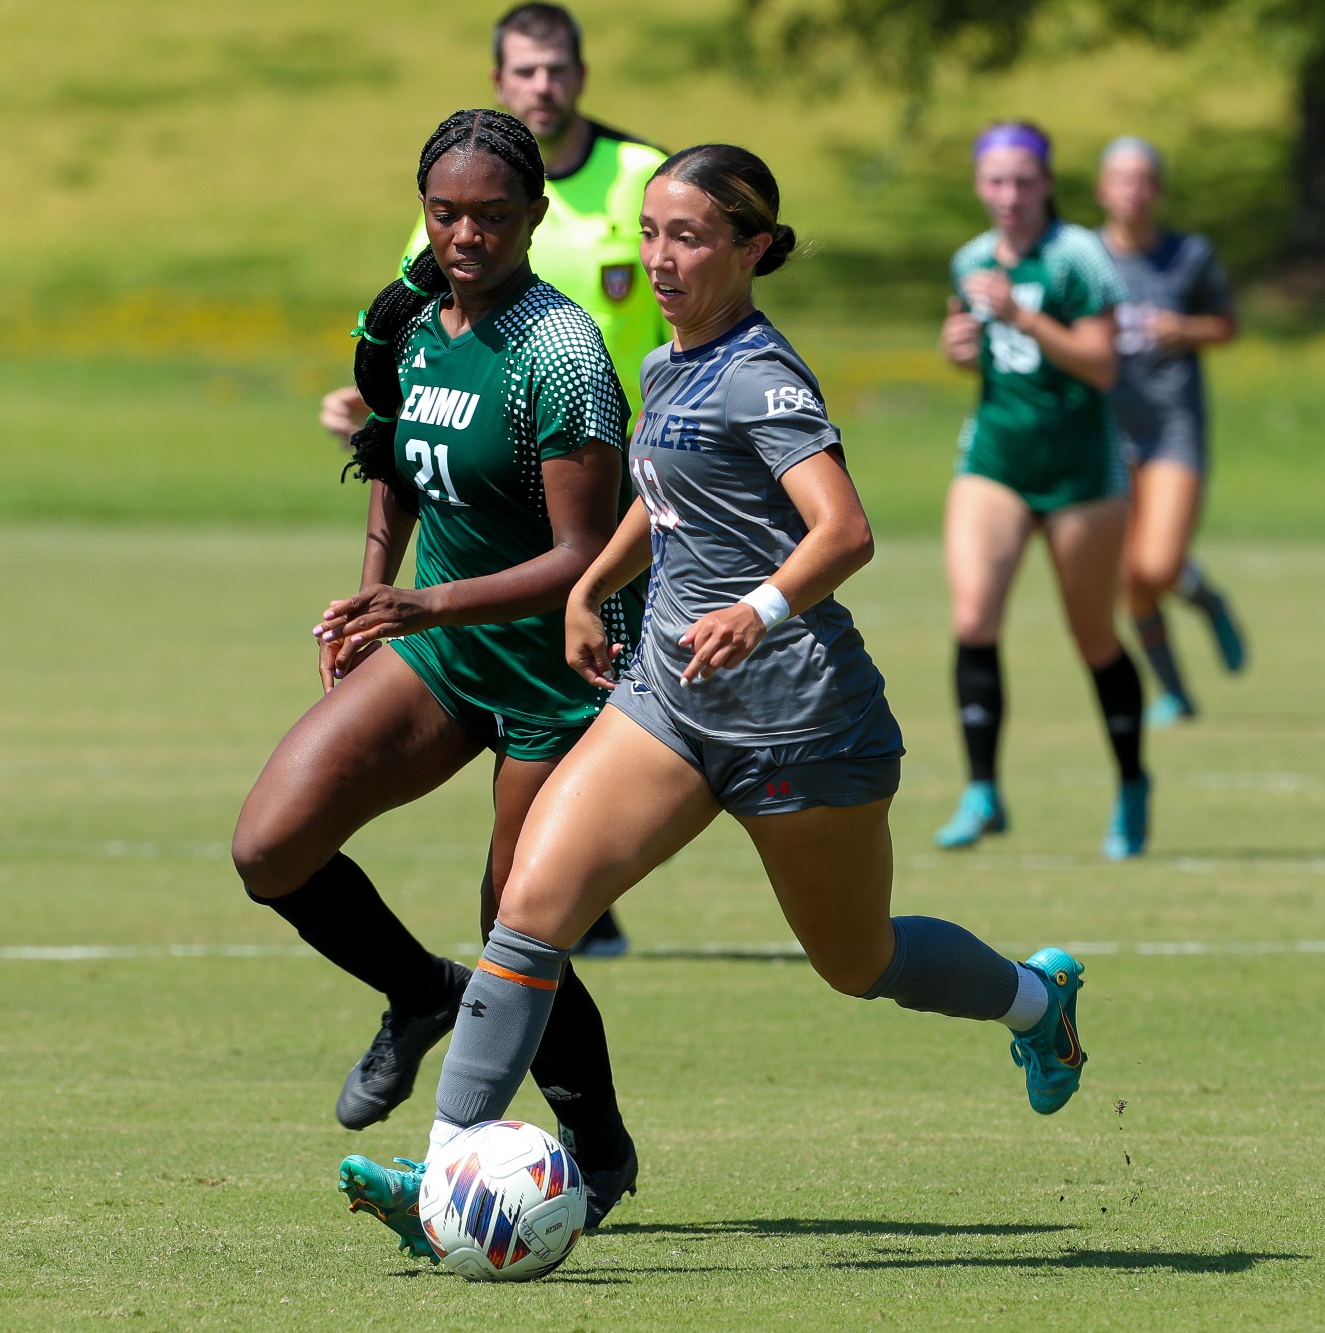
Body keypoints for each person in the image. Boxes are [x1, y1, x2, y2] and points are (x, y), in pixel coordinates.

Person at [338, 144, 1091, 1261]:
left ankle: (1035, 1003)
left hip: (797, 719)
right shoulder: (667, 365)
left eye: (686, 237)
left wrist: (759, 610)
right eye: (648, 233)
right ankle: (445, 1166)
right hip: (670, 705)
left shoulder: (759, 373)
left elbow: (845, 531)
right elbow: (664, 494)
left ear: (751, 248)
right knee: (531, 904)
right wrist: (593, 581)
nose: (659, 257)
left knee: (857, 961)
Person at [231, 109, 640, 1233]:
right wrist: (372, 592)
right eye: (444, 212)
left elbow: (580, 559)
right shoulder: (411, 319)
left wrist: (420, 599)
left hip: (562, 669)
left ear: (534, 217)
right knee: (271, 846)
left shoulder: (562, 355)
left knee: (519, 921)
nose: (465, 235)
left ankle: (598, 1152)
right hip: (442, 647)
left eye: (491, 217)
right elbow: (391, 452)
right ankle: (419, 993)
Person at [321, 2, 667, 959]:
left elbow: (708, 276)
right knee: (281, 838)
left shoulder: (645, 180)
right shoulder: (456, 194)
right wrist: (379, 406)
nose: (541, 85)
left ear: (581, 75)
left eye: (555, 69)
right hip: (487, 503)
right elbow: (408, 359)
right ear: (501, 80)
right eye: (522, 71)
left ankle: (572, 866)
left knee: (521, 906)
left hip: (623, 487)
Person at [933, 122, 1154, 860]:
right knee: (974, 617)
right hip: (996, 459)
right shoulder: (969, 259)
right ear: (978, 185)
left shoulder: (1078, 256)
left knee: (1093, 635)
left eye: (1023, 181)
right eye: (995, 181)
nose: (1010, 196)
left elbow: (1101, 365)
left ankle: (1130, 783)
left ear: (1047, 183)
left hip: (1082, 473)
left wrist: (1022, 314)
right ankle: (982, 790)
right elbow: (979, 345)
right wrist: (958, 346)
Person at [1096, 136, 1247, 727]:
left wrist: (1183, 328)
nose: (1133, 190)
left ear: (1156, 190)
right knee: (1127, 574)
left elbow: (1228, 325)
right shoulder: (1083, 256)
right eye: (1122, 179)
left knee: (1156, 567)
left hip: (1173, 428)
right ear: (1103, 190)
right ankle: (1175, 693)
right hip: (1106, 433)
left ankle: (1206, 599)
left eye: (1143, 179)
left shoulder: (1190, 255)